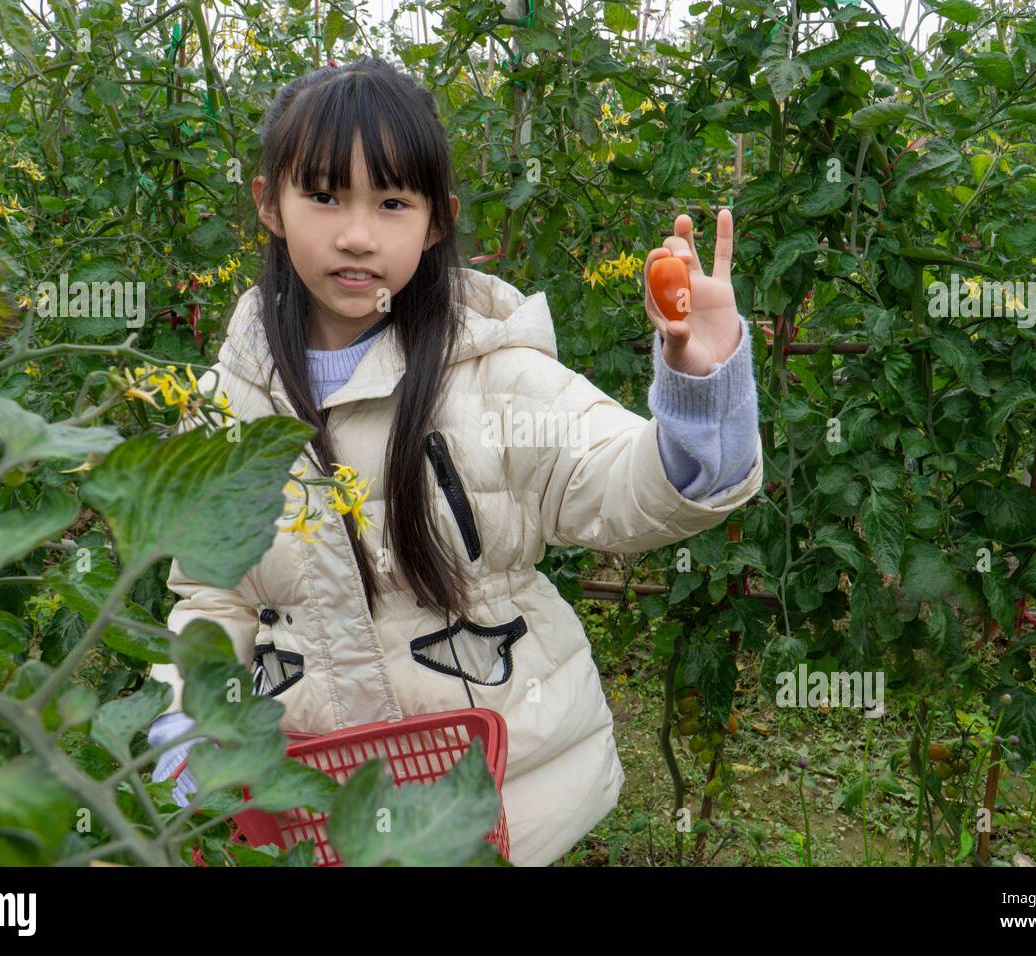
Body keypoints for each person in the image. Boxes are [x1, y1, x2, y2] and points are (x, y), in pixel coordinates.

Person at [147, 56, 762, 867]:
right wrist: (186, 718)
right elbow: (211, 592)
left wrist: (698, 392)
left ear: (437, 221)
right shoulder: (226, 405)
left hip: (497, 812)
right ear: (270, 204)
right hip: (314, 814)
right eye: (324, 196)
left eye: (393, 202)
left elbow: (620, 484)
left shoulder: (495, 374)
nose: (357, 234)